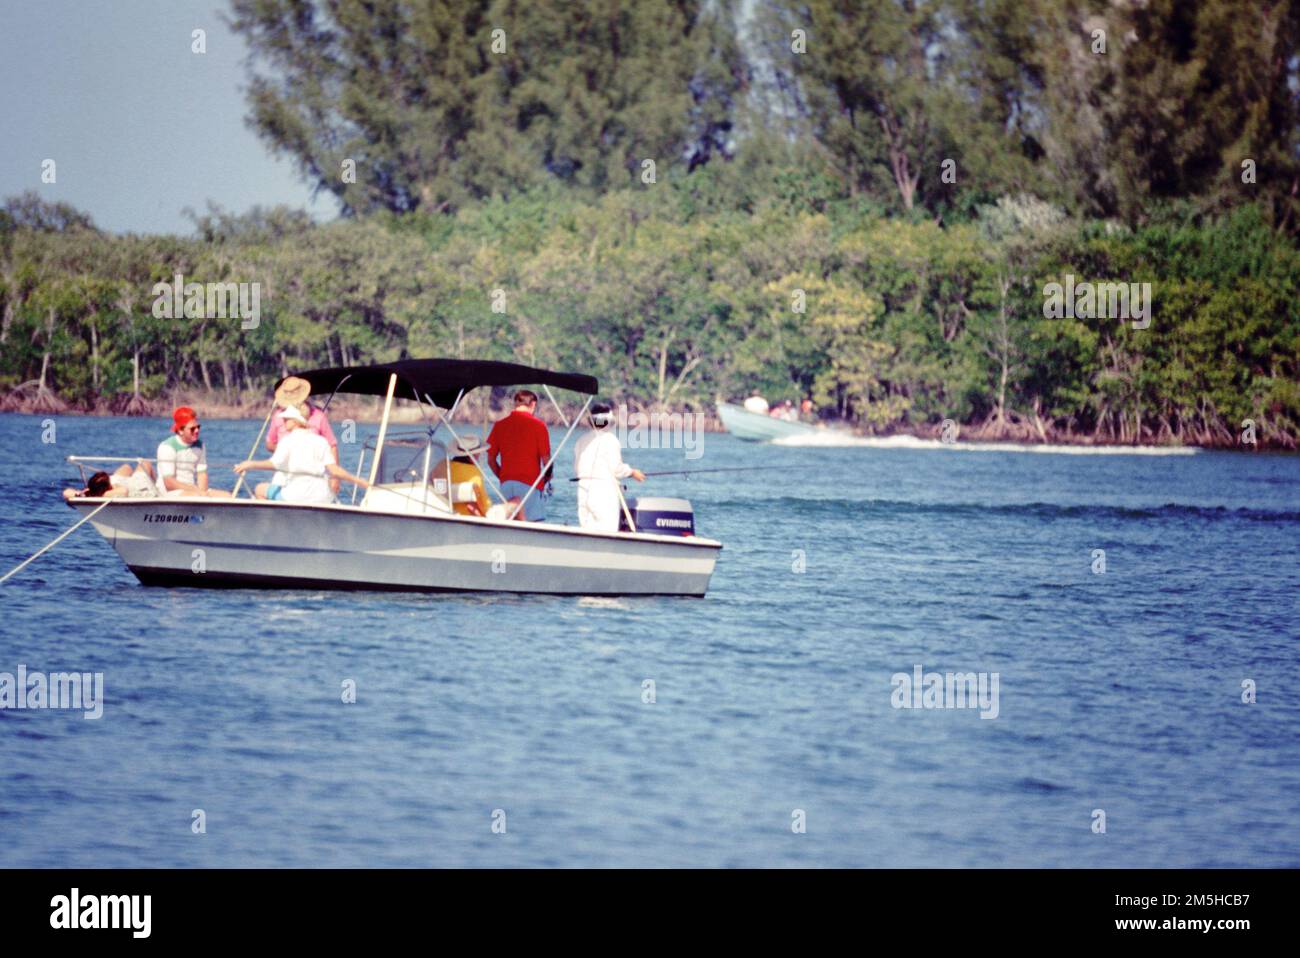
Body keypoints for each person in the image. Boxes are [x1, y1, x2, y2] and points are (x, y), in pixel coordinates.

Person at [234, 403, 368, 503]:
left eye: (286, 419)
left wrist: (250, 464)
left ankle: (273, 526)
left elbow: (275, 464)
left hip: (296, 495)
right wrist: (359, 481)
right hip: (322, 496)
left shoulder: (287, 440)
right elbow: (335, 471)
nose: (284, 421)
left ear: (295, 421)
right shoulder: (321, 441)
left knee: (259, 489)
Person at [574, 402, 644, 532]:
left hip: (582, 489)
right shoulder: (610, 440)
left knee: (586, 531)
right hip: (603, 491)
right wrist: (632, 472)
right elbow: (617, 469)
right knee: (607, 531)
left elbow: (577, 468)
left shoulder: (581, 440)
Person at [265, 376, 340, 497]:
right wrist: (288, 450)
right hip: (284, 473)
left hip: (312, 476)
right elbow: (269, 444)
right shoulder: (279, 416)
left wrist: (335, 478)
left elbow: (332, 445)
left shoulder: (318, 416)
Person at [486, 389, 552, 521]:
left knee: (508, 525)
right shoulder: (539, 426)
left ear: (515, 404)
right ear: (533, 404)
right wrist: (547, 478)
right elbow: (546, 461)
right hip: (530, 484)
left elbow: (491, 460)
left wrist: (502, 476)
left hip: (506, 484)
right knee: (532, 525)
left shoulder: (500, 425)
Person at [156, 407, 231, 497]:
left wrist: (203, 492)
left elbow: (202, 473)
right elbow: (169, 483)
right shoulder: (167, 447)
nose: (197, 431)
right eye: (192, 429)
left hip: (193, 490)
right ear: (180, 430)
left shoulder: (200, 446)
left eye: (198, 427)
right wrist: (197, 491)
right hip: (170, 492)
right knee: (195, 496)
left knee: (227, 496)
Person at [430, 435, 491, 517]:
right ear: (474, 455)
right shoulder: (474, 473)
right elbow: (473, 505)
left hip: (445, 513)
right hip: (468, 517)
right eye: (478, 453)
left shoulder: (443, 465)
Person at [62, 461, 158, 501]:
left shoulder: (92, 491)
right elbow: (124, 491)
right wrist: (98, 495)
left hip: (116, 483)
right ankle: (158, 489)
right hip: (136, 486)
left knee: (126, 467)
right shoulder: (112, 492)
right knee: (145, 463)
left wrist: (87, 494)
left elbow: (66, 492)